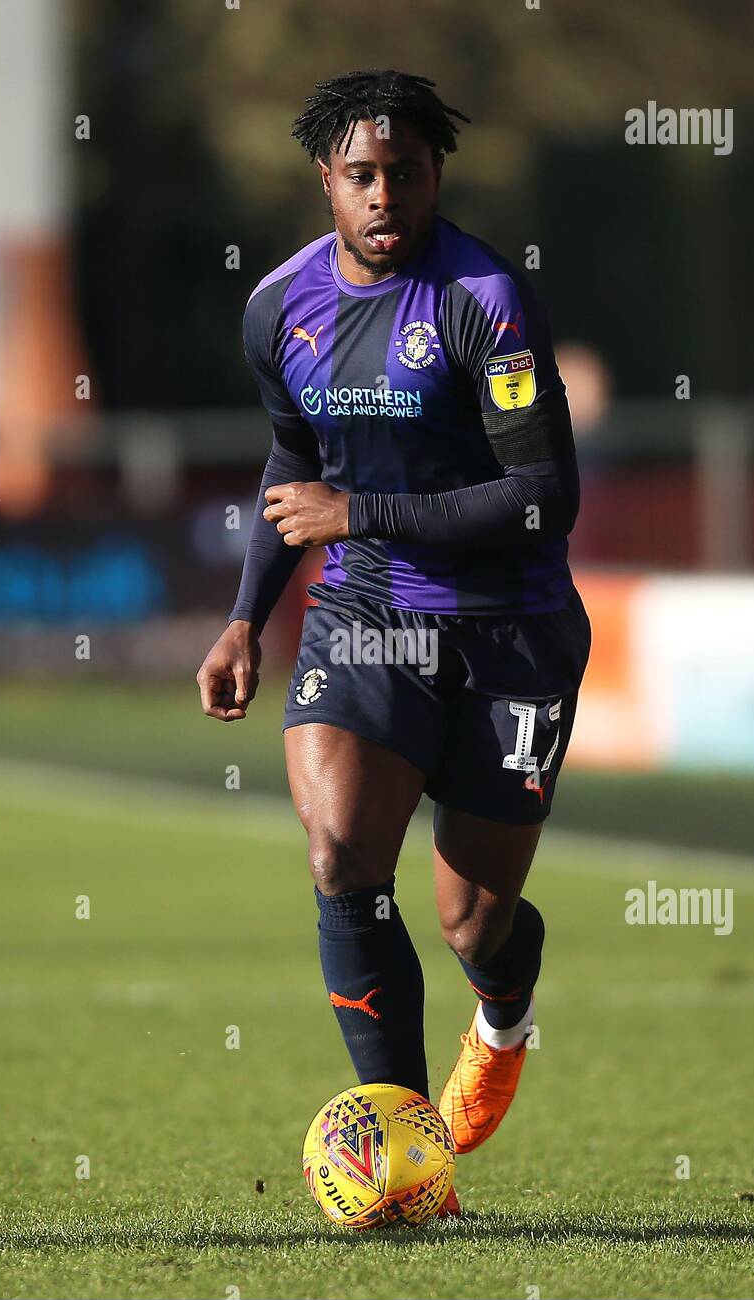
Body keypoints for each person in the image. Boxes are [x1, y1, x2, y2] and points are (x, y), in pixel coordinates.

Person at [197, 70, 591, 1216]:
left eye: (404, 174)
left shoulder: (484, 297)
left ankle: (505, 1011)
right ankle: (407, 1159)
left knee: (473, 917)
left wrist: (354, 511)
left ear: (435, 175)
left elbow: (541, 498)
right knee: (339, 859)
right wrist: (244, 614)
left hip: (509, 631)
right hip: (364, 615)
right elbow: (291, 465)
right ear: (324, 178)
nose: (383, 196)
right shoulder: (279, 305)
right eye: (360, 176)